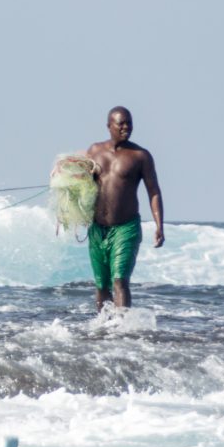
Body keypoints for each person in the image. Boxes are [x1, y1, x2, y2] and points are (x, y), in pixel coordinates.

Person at [84, 106, 164, 311]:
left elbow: (153, 191)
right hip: (97, 228)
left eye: (129, 123)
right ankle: (104, 328)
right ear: (109, 126)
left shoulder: (140, 156)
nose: (126, 127)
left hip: (125, 227)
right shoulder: (94, 151)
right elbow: (82, 184)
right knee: (102, 284)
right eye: (121, 123)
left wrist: (159, 226)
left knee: (119, 280)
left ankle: (123, 330)